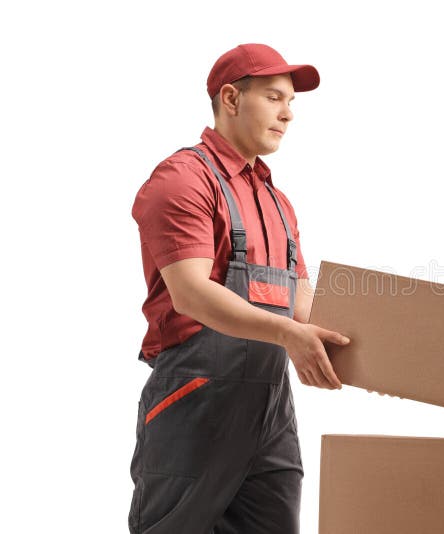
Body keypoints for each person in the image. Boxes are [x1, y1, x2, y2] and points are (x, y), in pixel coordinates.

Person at [128, 43, 350, 534]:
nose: (288, 114)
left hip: (270, 414)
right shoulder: (184, 180)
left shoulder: (277, 202)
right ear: (230, 98)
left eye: (291, 102)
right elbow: (190, 293)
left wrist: (381, 346)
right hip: (195, 400)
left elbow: (302, 303)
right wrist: (289, 337)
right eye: (274, 97)